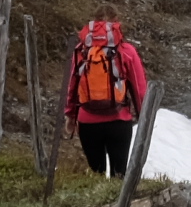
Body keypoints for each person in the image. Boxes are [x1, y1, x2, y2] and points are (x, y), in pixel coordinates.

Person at [64, 14, 149, 177]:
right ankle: (118, 202)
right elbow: (139, 89)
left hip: (87, 122)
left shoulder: (81, 50)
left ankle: (99, 201)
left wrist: (71, 115)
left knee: (96, 174)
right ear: (117, 24)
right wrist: (143, 117)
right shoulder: (126, 51)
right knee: (119, 174)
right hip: (119, 121)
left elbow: (73, 86)